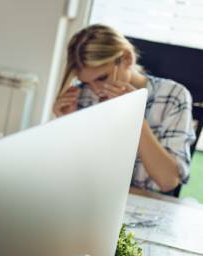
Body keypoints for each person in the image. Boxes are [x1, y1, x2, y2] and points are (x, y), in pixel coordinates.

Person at [52, 24, 196, 193]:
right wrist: (67, 125)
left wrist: (135, 118)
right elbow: (73, 178)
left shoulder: (173, 95)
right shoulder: (82, 96)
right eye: (86, 82)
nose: (96, 90)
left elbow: (168, 181)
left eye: (102, 77)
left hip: (148, 205)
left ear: (127, 58)